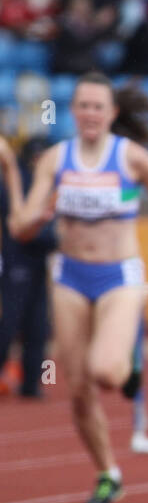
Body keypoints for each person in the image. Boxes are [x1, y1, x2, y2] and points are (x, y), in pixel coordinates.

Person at [8, 73, 148, 503]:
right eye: (83, 106)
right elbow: (20, 227)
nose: (90, 114)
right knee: (79, 386)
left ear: (113, 113)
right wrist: (22, 187)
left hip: (118, 275)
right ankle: (108, 471)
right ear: (73, 111)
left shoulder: (131, 159)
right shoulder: (55, 159)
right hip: (69, 275)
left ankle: (129, 363)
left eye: (98, 107)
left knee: (106, 371)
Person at [0, 135, 46, 398]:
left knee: (38, 327)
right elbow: (16, 223)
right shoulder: (17, 181)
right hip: (17, 259)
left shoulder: (50, 182)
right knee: (9, 323)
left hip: (39, 261)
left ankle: (31, 383)